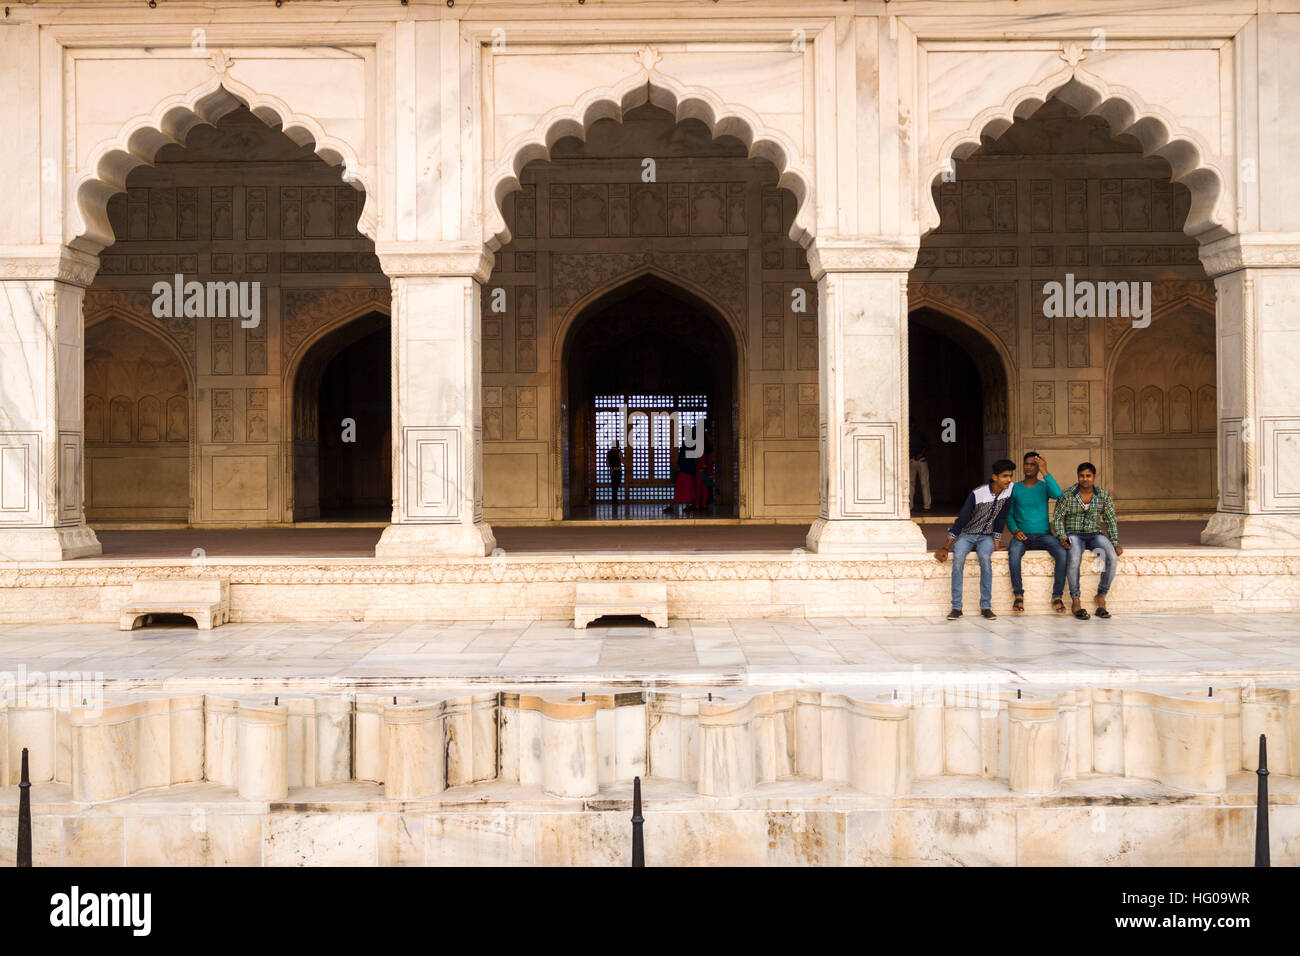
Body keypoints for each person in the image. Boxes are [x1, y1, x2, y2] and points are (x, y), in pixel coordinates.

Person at [934, 459, 1016, 620]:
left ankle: (986, 606)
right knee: (958, 558)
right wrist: (946, 547)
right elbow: (962, 520)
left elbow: (1001, 520)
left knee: (985, 558)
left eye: (1010, 476)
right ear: (994, 477)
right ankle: (956, 607)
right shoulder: (978, 494)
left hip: (986, 537)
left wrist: (996, 544)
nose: (1009, 480)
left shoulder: (1009, 490)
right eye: (1005, 476)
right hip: (967, 535)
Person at [1052, 461, 1123, 620]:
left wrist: (1115, 542)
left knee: (1111, 556)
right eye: (1082, 476)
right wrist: (1063, 537)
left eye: (1088, 476)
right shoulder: (1067, 494)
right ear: (1078, 477)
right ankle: (1076, 600)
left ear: (1094, 477)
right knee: (1074, 557)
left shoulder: (1103, 495)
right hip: (1073, 534)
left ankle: (1101, 596)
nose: (1085, 479)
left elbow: (1111, 520)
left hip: (1094, 534)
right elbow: (1057, 518)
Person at [1006, 451, 1067, 614]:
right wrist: (1015, 530)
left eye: (1033, 464)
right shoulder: (1015, 488)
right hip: (1022, 535)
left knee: (1062, 553)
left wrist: (1045, 471)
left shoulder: (1044, 486)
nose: (1028, 467)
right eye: (1026, 464)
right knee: (1013, 554)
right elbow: (1009, 515)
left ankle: (1057, 596)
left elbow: (1058, 494)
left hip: (1044, 535)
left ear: (1038, 467)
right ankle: (1018, 595)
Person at [663, 438, 698, 516]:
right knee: (688, 489)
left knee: (680, 489)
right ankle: (687, 506)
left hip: (683, 471)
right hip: (690, 470)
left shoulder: (684, 446)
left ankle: (672, 506)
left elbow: (681, 459)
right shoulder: (692, 446)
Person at [909, 432, 932, 511]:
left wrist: (920, 455)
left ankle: (926, 506)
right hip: (914, 459)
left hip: (919, 459)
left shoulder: (919, 435)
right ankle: (912, 506)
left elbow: (926, 447)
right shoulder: (909, 434)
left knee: (922, 483)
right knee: (914, 484)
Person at [606, 442, 625, 507]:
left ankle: (614, 500)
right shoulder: (619, 452)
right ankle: (615, 501)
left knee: (613, 486)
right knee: (616, 485)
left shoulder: (608, 453)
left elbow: (607, 464)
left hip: (612, 471)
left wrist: (612, 465)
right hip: (618, 471)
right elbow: (622, 461)